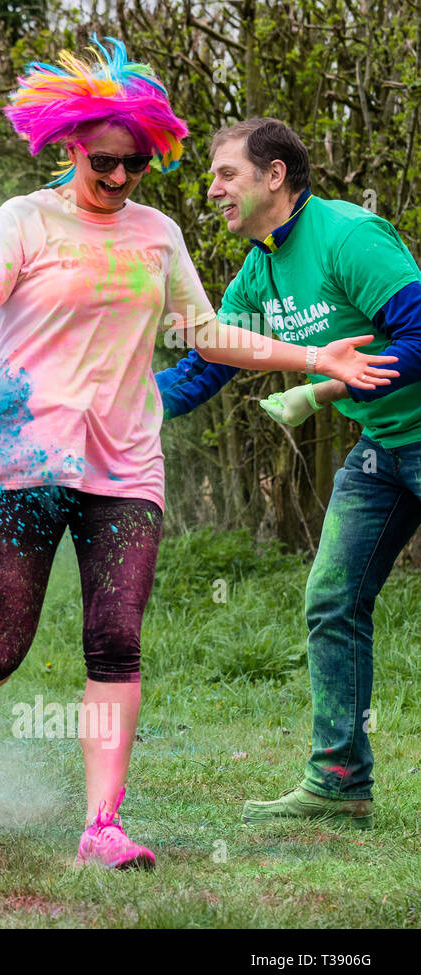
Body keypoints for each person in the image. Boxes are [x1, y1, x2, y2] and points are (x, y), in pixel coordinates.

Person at [0, 41, 395, 868]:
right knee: (2, 644)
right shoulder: (21, 221)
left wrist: (318, 359)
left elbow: (207, 336)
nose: (121, 180)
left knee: (115, 639)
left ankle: (102, 826)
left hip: (125, 465)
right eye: (106, 163)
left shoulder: (157, 234)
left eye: (138, 165)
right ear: (71, 147)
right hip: (22, 456)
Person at [157, 117, 421, 830]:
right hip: (385, 449)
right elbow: (210, 361)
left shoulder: (348, 237)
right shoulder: (260, 268)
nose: (211, 190)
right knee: (332, 599)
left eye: (225, 175)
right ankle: (339, 782)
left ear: (275, 176)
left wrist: (330, 389)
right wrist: (121, 407)